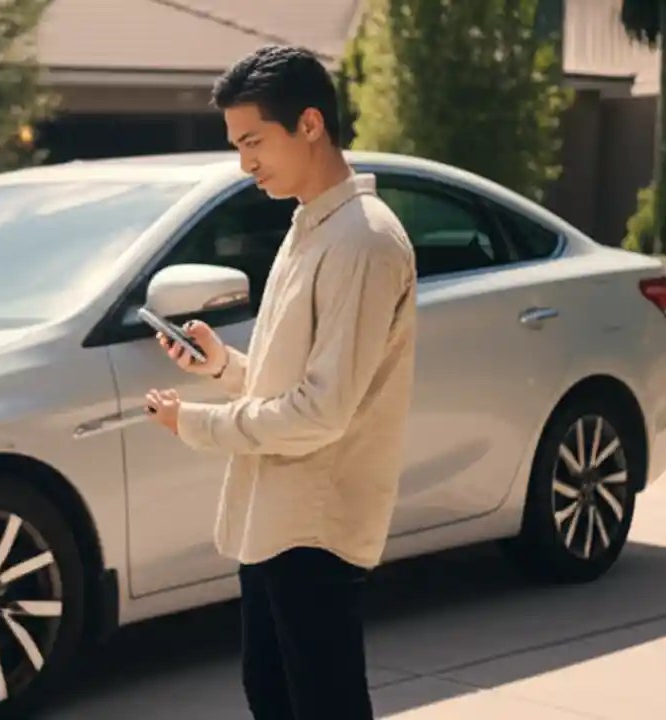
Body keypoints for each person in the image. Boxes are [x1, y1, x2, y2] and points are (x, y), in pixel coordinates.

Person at [143, 45, 417, 720]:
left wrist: (197, 423)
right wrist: (223, 368)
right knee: (272, 694)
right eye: (237, 146)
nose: (245, 164)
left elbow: (322, 412)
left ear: (310, 124)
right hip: (277, 518)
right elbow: (299, 382)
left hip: (315, 525)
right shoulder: (312, 227)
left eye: (253, 142)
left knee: (318, 704)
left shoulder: (363, 241)